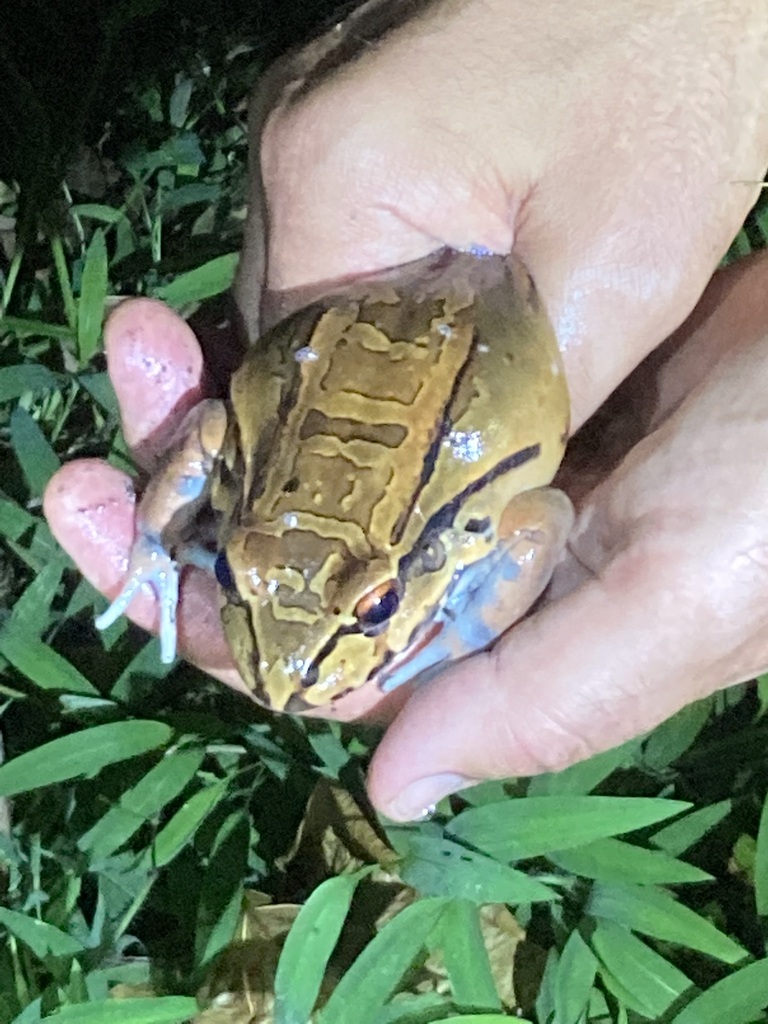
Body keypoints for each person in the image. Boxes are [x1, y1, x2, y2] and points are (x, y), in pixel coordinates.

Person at [44, 0, 768, 820]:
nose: (283, 673)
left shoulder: (433, 533)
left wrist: (457, 635)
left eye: (375, 606)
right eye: (246, 578)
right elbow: (214, 432)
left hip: (454, 365)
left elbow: (538, 520)